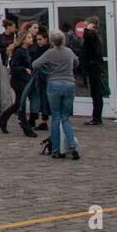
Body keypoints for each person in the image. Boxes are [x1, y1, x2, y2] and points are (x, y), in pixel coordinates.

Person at [33, 30, 81, 160]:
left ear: (51, 41)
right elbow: (77, 63)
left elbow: (35, 64)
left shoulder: (50, 53)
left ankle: (55, 149)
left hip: (54, 84)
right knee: (65, 118)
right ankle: (72, 146)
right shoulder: (69, 52)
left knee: (55, 117)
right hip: (69, 84)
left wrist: (48, 69)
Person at [0, 29, 37, 136]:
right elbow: (13, 67)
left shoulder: (25, 50)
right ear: (23, 40)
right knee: (21, 104)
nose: (31, 39)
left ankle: (2, 121)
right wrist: (24, 69)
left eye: (31, 37)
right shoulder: (19, 51)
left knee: (18, 104)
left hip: (23, 80)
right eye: (29, 37)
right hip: (18, 81)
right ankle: (26, 128)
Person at [80, 16, 105, 125]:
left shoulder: (92, 35)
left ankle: (97, 117)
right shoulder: (93, 36)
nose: (85, 27)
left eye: (87, 25)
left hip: (94, 67)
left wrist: (88, 29)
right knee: (95, 92)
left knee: (96, 93)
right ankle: (96, 116)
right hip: (93, 67)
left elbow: (86, 35)